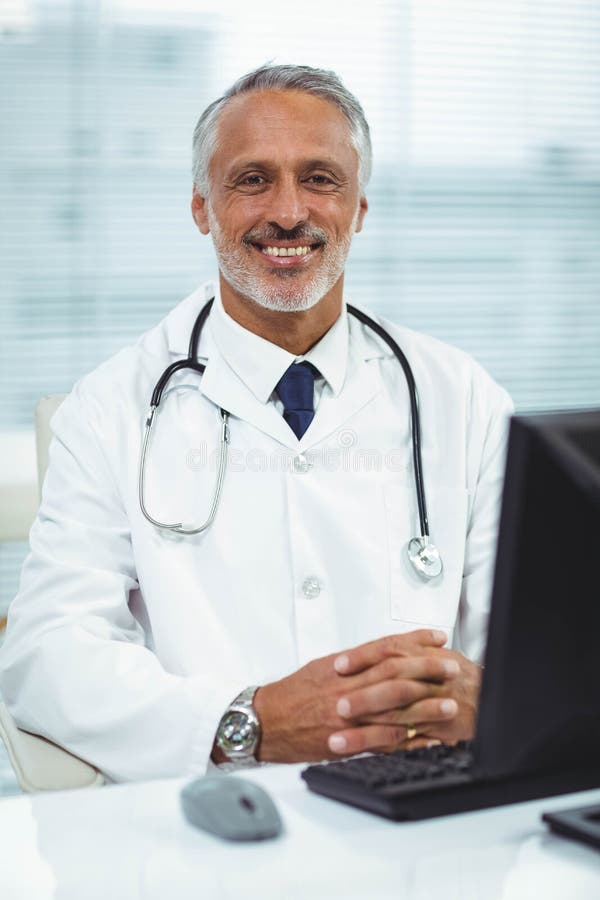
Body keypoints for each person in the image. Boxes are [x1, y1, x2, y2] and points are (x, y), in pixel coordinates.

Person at [0, 64, 512, 782]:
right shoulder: (109, 409)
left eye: (320, 179)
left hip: (423, 828)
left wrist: (489, 701)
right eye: (252, 180)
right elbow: (47, 653)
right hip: (205, 839)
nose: (288, 212)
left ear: (360, 206)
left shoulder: (465, 399)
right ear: (201, 207)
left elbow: (533, 651)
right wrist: (247, 722)